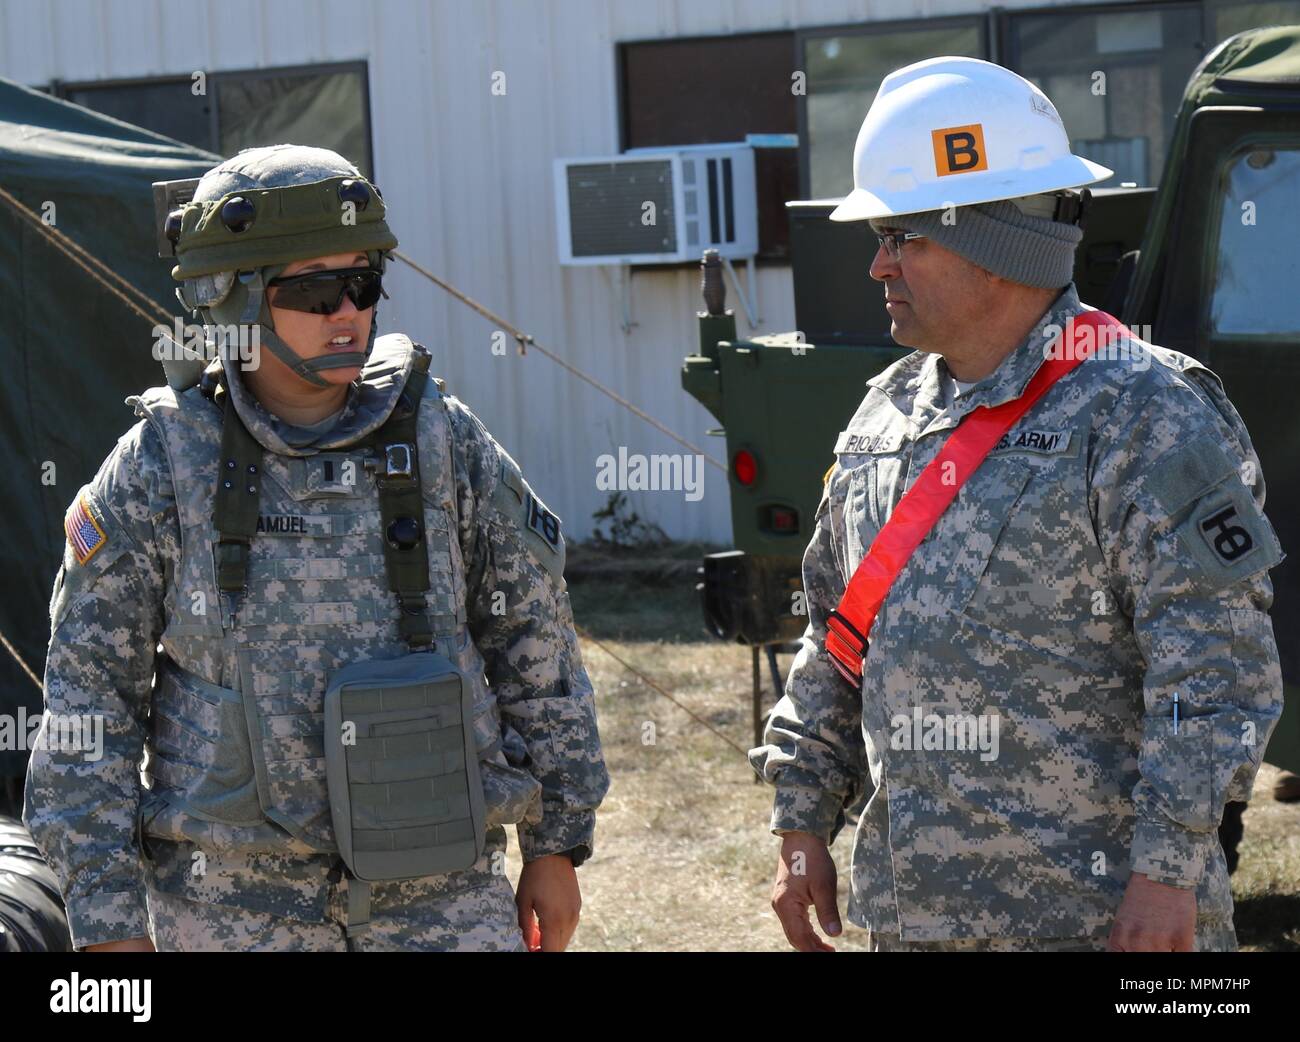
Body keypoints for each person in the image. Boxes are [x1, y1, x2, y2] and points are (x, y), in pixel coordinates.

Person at [750, 58, 1284, 952]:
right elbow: (834, 633)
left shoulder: (1142, 413)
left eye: (904, 236)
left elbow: (1217, 671)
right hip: (913, 922)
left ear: (997, 245)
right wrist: (801, 818)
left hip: (1104, 926)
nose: (878, 262)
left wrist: (1168, 870)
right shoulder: (886, 413)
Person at [23, 144, 609, 952]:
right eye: (313, 289)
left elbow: (535, 642)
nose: (349, 312)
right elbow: (90, 704)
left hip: (440, 895)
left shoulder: (441, 441)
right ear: (229, 300)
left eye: (363, 284)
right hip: (228, 908)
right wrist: (109, 920)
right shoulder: (163, 465)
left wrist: (557, 840)